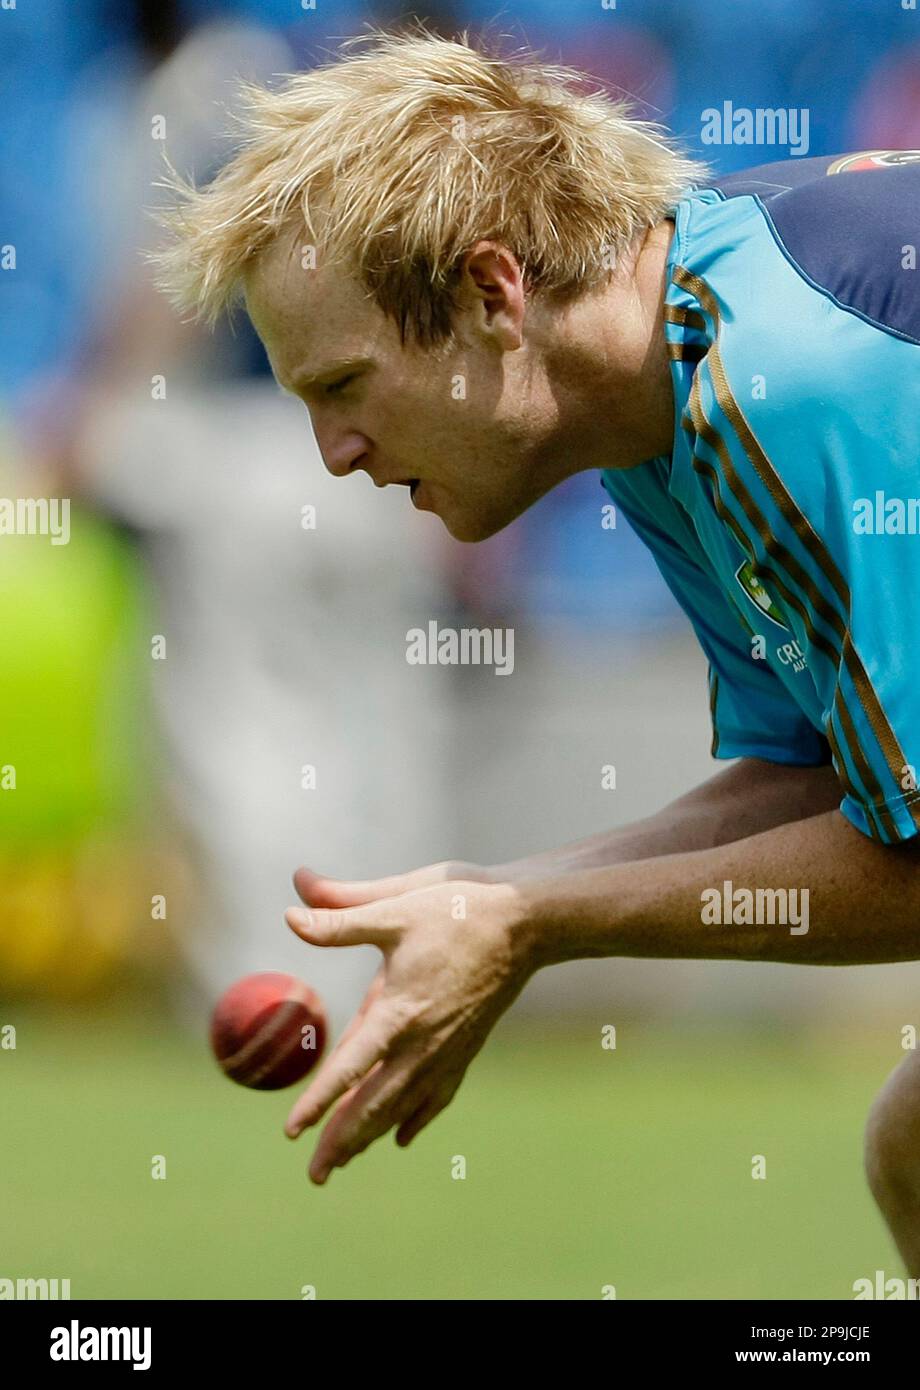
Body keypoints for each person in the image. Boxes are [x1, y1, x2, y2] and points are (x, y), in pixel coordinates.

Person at [152, 26, 920, 1273]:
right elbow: (830, 777)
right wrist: (498, 892)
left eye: (344, 385)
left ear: (492, 295)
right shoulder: (671, 387)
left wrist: (534, 916)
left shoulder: (784, 381)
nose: (332, 455)